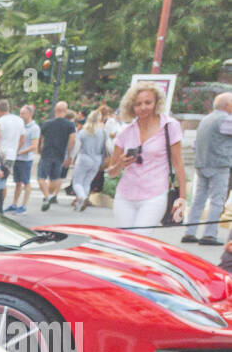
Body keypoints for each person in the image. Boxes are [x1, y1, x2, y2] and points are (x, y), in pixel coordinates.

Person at [105, 81, 186, 228]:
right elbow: (111, 172)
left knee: (141, 238)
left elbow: (178, 163)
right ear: (131, 107)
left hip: (155, 195)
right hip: (125, 196)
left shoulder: (170, 126)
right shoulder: (125, 132)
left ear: (156, 103)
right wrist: (120, 164)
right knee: (126, 241)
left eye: (148, 102)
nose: (143, 108)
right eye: (138, 104)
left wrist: (182, 198)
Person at [183, 92, 232, 245]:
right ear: (227, 105)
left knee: (198, 200)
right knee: (217, 201)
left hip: (202, 163)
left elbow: (195, 144)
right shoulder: (226, 119)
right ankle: (209, 235)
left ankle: (189, 232)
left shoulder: (205, 119)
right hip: (219, 164)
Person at [36, 100, 77, 209]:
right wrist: (68, 155)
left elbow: (40, 138)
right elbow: (72, 140)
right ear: (66, 111)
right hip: (59, 155)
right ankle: (49, 196)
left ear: (55, 110)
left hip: (46, 153)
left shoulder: (47, 123)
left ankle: (46, 196)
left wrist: (39, 148)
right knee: (54, 178)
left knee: (41, 178)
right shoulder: (70, 125)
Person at [70, 109, 107, 211]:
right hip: (97, 160)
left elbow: (77, 147)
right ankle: (80, 204)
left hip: (84, 158)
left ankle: (83, 198)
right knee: (87, 183)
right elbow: (109, 147)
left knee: (77, 183)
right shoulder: (103, 133)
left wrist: (71, 157)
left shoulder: (83, 132)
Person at [9, 104, 39, 213]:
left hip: (25, 159)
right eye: (20, 113)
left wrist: (21, 151)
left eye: (23, 113)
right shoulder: (20, 126)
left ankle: (24, 206)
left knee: (26, 182)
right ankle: (14, 203)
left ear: (30, 114)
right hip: (17, 157)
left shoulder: (34, 128)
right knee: (17, 182)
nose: (21, 115)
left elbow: (34, 145)